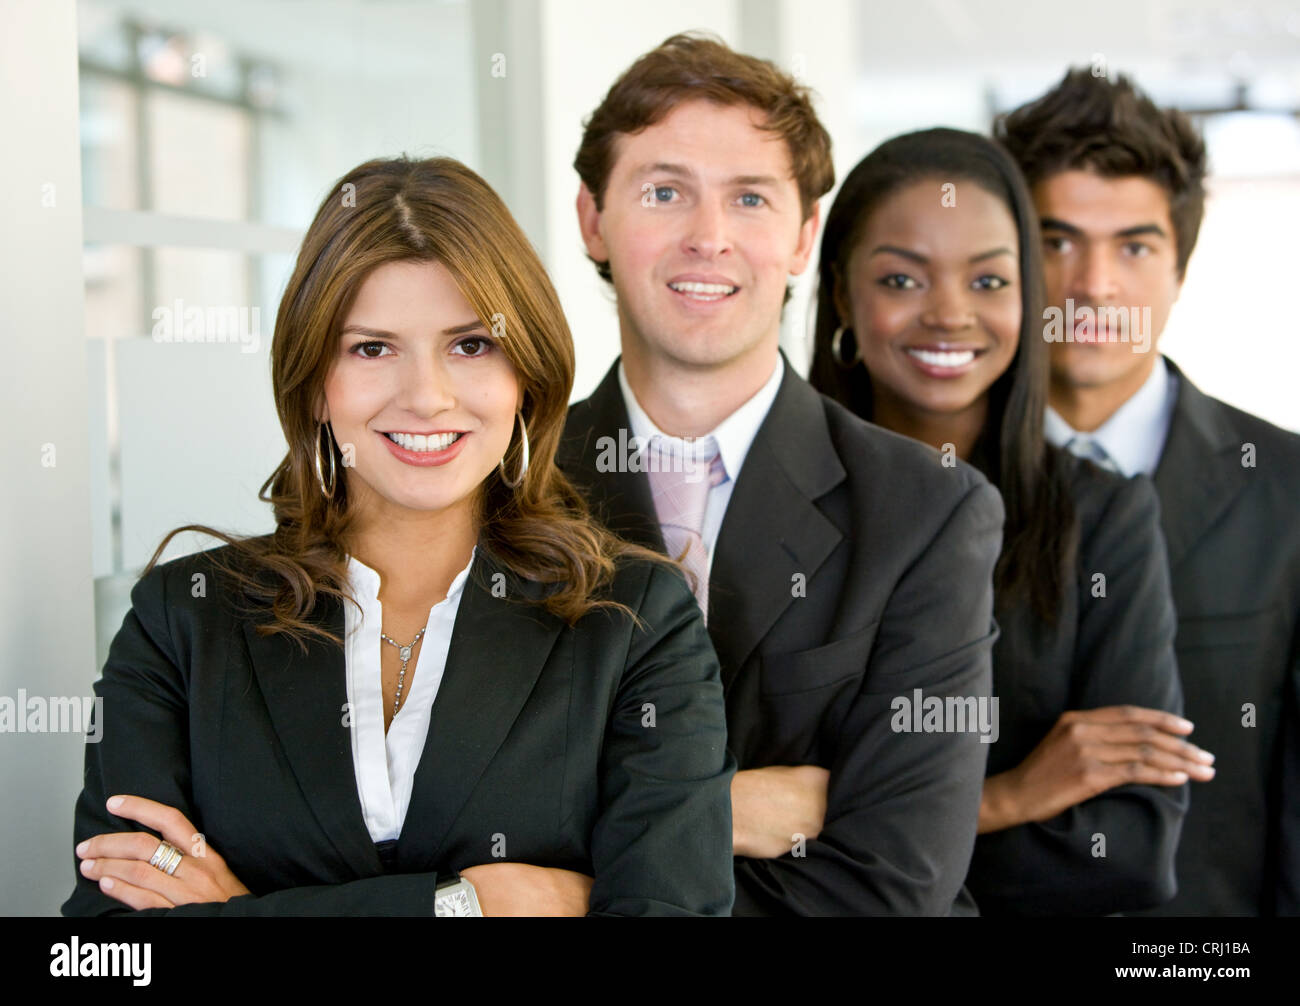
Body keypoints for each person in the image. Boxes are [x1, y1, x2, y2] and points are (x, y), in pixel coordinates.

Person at [61, 155, 735, 917]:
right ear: (315, 381)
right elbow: (104, 952)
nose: (426, 396)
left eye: (471, 344)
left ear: (527, 375)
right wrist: (470, 904)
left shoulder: (636, 622)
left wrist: (236, 909)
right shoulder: (183, 619)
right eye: (372, 348)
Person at [557, 32, 1004, 915]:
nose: (708, 238)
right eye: (663, 191)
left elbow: (895, 881)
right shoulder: (502, 483)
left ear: (803, 237)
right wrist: (716, 809)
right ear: (593, 220)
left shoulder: (928, 511)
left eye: (750, 199)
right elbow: (444, 822)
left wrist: (563, 884)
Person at [808, 126, 1211, 915]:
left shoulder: (1102, 516)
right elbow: (728, 827)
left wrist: (851, 836)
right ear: (843, 294)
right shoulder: (777, 500)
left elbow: (1127, 854)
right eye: (901, 279)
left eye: (990, 282)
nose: (951, 314)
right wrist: (1014, 797)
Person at [997, 69, 1300, 916]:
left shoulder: (1289, 491)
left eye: (1134, 246)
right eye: (1055, 242)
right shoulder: (933, 489)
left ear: (1180, 267)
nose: (1094, 284)